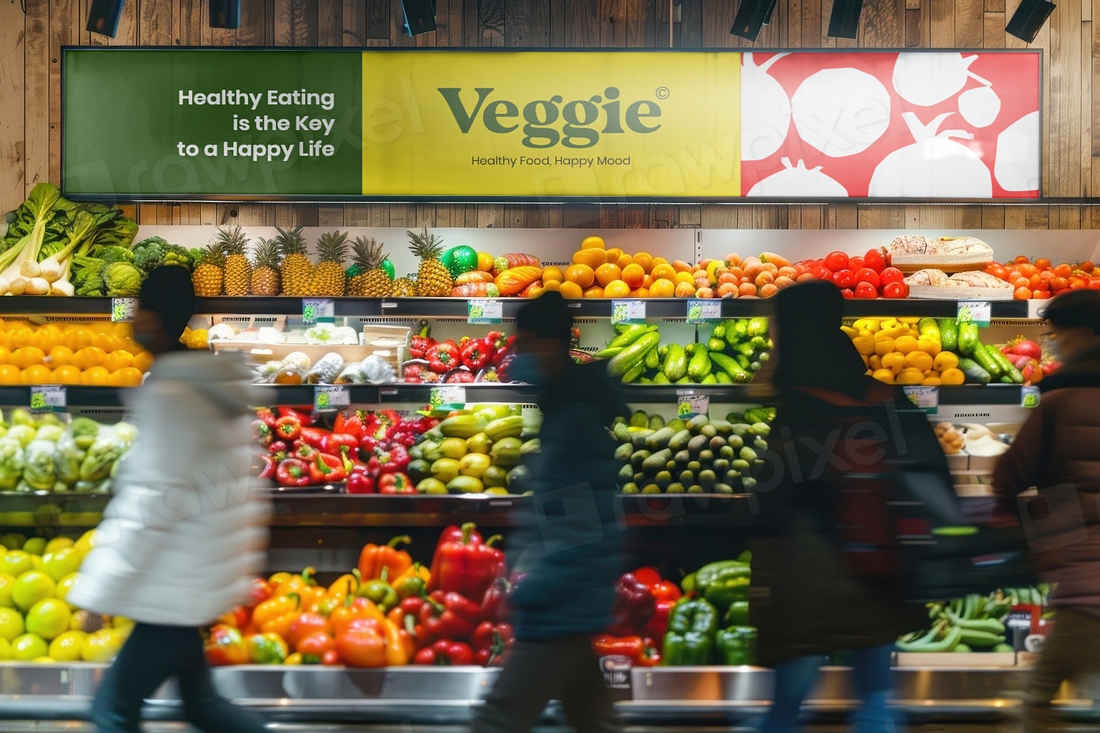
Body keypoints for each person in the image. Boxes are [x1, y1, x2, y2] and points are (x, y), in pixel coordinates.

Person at [68, 266, 270, 733]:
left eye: (139, 309)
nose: (132, 319)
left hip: (174, 582)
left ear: (154, 319)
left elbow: (150, 502)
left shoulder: (174, 393)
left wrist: (97, 591)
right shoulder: (211, 385)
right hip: (197, 576)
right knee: (202, 705)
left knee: (112, 712)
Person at [748, 281, 933, 733]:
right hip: (878, 572)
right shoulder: (884, 397)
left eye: (777, 329)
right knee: (875, 704)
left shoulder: (802, 407)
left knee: (783, 711)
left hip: (809, 582)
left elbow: (772, 500)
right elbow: (928, 468)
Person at [471, 291, 625, 733]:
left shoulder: (574, 421)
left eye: (523, 346)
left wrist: (534, 589)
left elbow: (577, 523)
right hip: (572, 602)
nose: (517, 357)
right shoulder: (568, 409)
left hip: (560, 604)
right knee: (594, 719)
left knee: (500, 718)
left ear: (548, 345)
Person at [992, 289, 1100, 733]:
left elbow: (1009, 478)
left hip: (1088, 588)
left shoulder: (1060, 398)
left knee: (1034, 703)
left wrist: (1044, 524)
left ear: (1081, 333)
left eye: (1058, 336)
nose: (1056, 345)